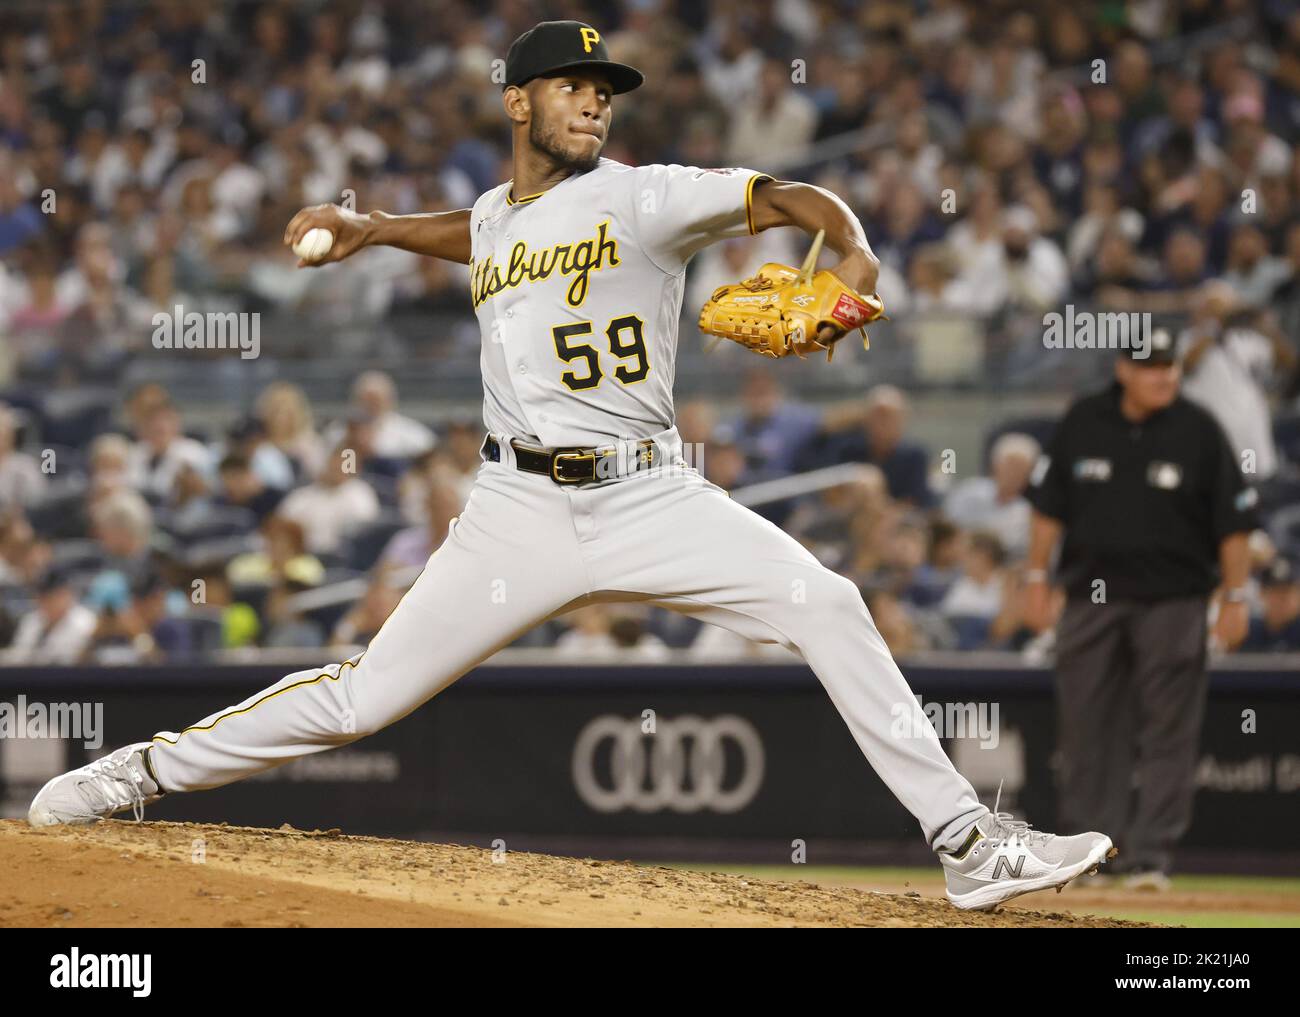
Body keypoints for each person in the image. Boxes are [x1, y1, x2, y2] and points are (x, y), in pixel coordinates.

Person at [29, 20, 1112, 913]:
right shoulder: (501, 213)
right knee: (363, 701)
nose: (596, 103)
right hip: (515, 508)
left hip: (652, 491)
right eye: (573, 87)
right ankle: (138, 773)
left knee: (826, 602)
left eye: (605, 91)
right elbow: (487, 231)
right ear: (517, 103)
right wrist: (378, 229)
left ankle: (967, 840)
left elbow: (791, 199)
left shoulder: (646, 194)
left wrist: (858, 255)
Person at [1024, 328, 1258, 887]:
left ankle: (1150, 857)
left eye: (1171, 366)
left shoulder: (1200, 429)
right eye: (1151, 367)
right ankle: (1092, 856)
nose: (1164, 376)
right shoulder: (1083, 420)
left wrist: (1236, 596)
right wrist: (1034, 577)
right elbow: (1048, 508)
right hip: (1089, 600)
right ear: (1123, 369)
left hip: (1174, 601)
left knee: (1168, 730)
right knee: (1085, 729)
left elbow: (1234, 523)